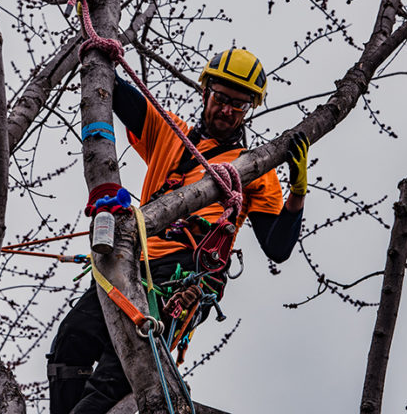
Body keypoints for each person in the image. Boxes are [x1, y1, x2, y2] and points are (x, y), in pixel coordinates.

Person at [47, 48, 310, 414]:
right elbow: (114, 88)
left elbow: (278, 246)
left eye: (239, 104)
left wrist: (297, 194)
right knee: (69, 344)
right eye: (220, 99)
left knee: (115, 378)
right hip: (127, 265)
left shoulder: (253, 169)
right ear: (205, 93)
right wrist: (96, 46)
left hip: (182, 280)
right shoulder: (168, 132)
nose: (227, 111)